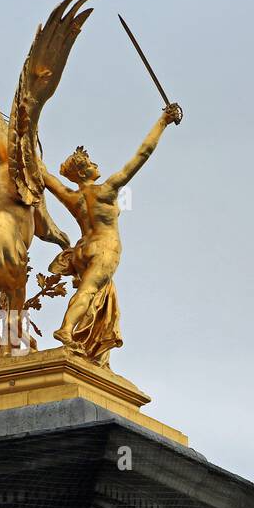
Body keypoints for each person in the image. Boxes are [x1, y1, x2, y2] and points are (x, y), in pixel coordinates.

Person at [41, 103, 183, 367]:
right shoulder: (107, 191)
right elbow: (142, 155)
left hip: (83, 250)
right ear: (85, 171)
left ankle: (85, 339)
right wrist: (162, 122)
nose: (98, 165)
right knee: (88, 291)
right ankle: (66, 329)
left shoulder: (71, 197)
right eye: (93, 163)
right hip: (105, 249)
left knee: (92, 293)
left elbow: (44, 175)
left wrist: (20, 138)